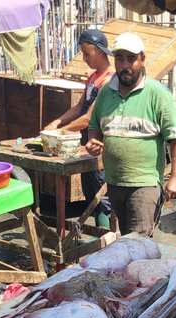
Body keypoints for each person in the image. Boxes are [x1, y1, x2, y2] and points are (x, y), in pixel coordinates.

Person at [85, 32, 176, 236]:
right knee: (127, 239)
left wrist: (175, 177)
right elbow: (94, 125)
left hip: (144, 184)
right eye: (120, 59)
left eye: (131, 59)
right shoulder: (106, 93)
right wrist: (93, 141)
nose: (125, 65)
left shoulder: (157, 94)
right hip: (114, 182)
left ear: (142, 59)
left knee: (138, 242)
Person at [44, 29, 113, 210]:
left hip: (101, 145)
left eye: (87, 54)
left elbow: (89, 117)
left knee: (101, 199)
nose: (84, 58)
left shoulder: (109, 81)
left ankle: (107, 235)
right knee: (90, 193)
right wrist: (57, 122)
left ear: (99, 51)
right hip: (86, 145)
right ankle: (100, 236)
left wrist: (61, 132)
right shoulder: (92, 78)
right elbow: (79, 108)